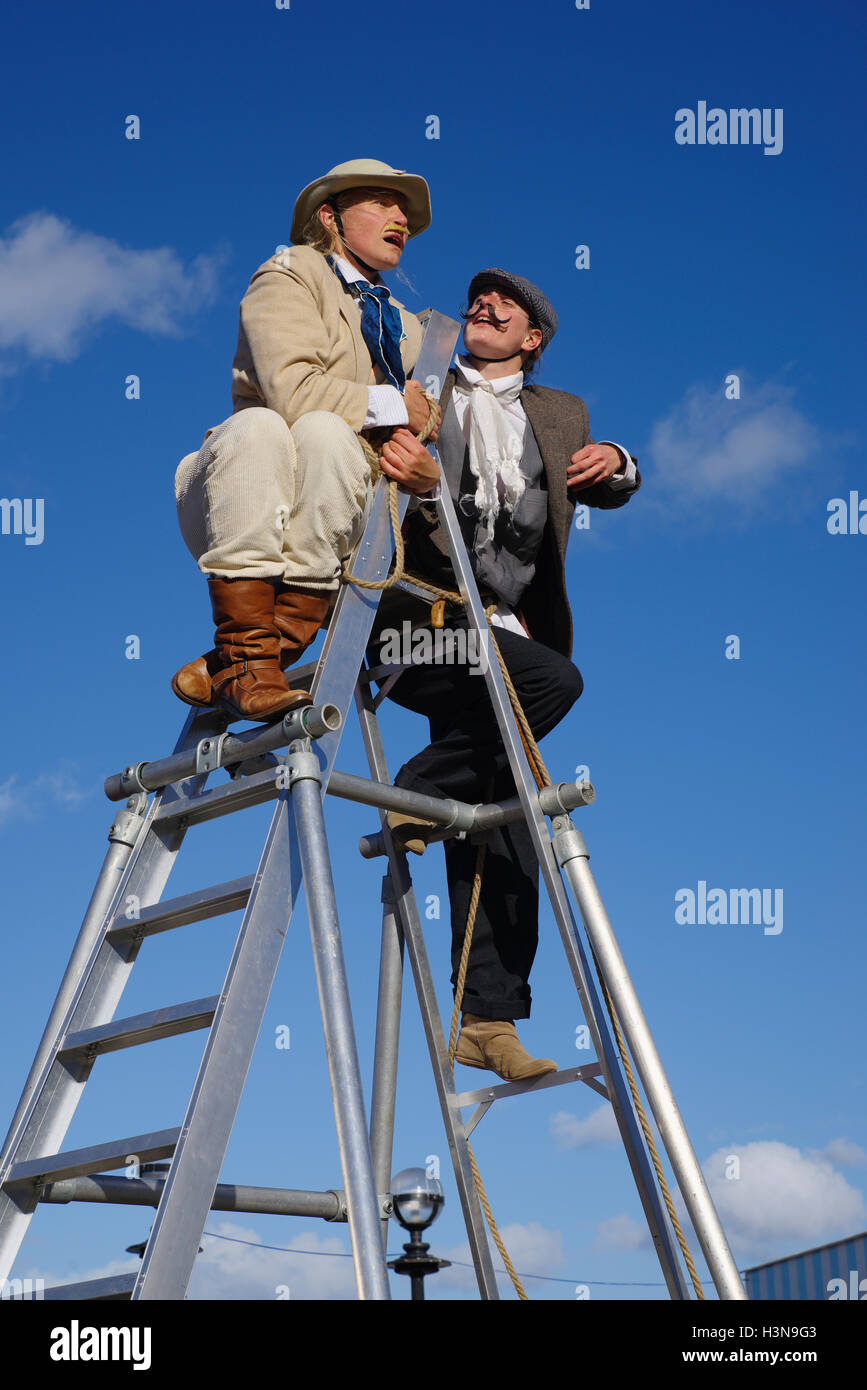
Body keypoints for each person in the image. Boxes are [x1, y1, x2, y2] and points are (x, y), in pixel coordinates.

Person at [370, 269, 641, 1081]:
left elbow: (613, 483)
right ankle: (417, 791)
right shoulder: (416, 379)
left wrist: (620, 460)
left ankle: (485, 1019)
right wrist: (412, 475)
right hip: (412, 623)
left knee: (509, 814)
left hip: (503, 634)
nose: (482, 307)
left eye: (505, 307)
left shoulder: (558, 414)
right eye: (476, 299)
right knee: (558, 683)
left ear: (532, 339)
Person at [171, 158, 440, 720]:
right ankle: (248, 656)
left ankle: (246, 660)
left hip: (340, 510)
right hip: (251, 488)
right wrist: (395, 401)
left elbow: (423, 415)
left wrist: (422, 416)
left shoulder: (408, 326)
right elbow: (293, 390)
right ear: (330, 215)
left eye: (406, 211)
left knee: (326, 432)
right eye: (382, 203)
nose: (401, 219)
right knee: (267, 424)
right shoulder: (289, 272)